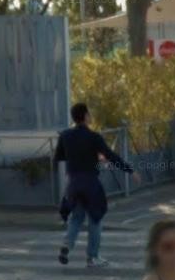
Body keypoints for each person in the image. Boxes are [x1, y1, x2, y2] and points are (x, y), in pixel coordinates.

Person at [55, 103, 138, 268]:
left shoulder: (65, 136)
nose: (91, 116)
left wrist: (83, 157)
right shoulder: (94, 137)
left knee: (77, 217)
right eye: (89, 113)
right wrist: (130, 170)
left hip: (73, 183)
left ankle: (66, 245)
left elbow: (60, 157)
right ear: (85, 116)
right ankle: (92, 257)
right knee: (95, 218)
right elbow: (111, 156)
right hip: (90, 183)